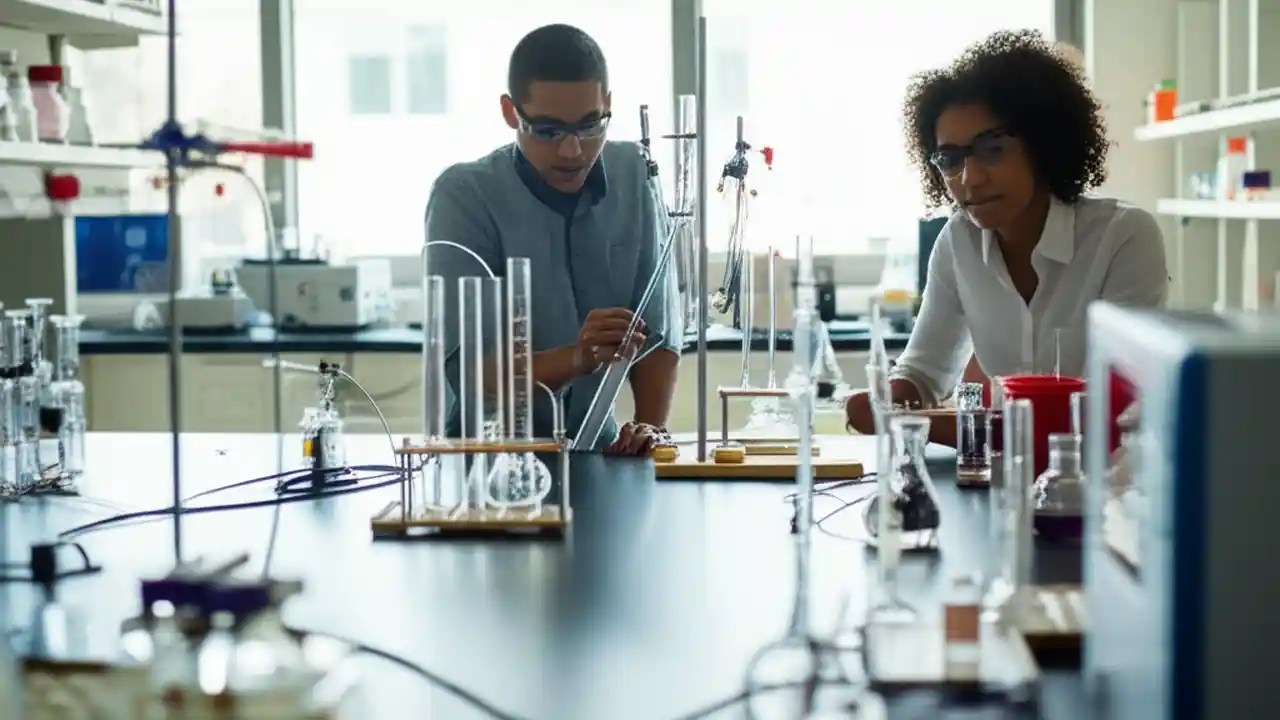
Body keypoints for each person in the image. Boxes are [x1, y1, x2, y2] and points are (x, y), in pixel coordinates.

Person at [846, 29, 1167, 444]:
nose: (970, 179)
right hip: (1005, 481)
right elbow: (923, 373)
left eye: (993, 149)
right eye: (950, 159)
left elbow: (1099, 413)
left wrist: (906, 422)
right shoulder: (957, 243)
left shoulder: (1124, 237)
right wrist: (881, 400)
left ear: (1042, 143)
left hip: (1112, 488)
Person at [424, 24, 681, 455]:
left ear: (609, 106)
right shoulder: (463, 196)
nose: (572, 151)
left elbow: (657, 331)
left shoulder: (636, 175)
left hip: (597, 454)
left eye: (589, 126)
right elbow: (473, 372)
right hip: (485, 464)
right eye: (547, 130)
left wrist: (646, 431)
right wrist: (578, 357)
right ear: (510, 113)